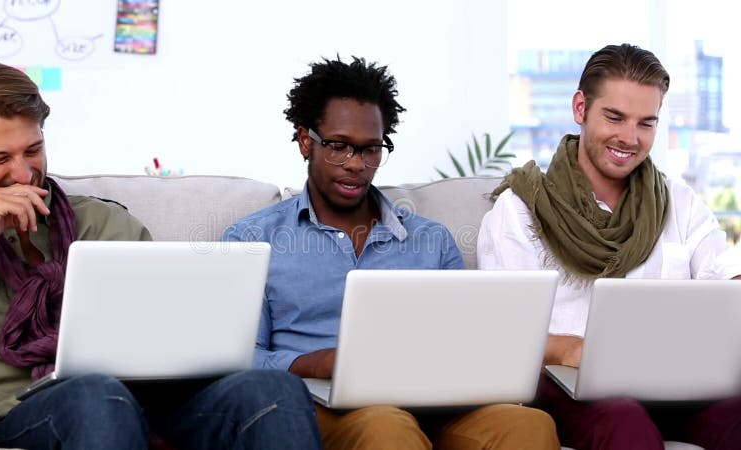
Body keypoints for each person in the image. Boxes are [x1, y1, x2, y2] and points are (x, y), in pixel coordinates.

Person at [0, 62, 321, 450]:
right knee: (99, 397)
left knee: (274, 390)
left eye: (33, 150)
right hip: (18, 408)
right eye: (0, 158)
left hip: (146, 400)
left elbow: (167, 325)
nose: (22, 174)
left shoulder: (104, 222)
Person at [223, 55, 559, 450]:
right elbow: (238, 358)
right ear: (304, 140)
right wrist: (314, 362)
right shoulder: (253, 238)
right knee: (386, 427)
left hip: (433, 403)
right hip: (320, 404)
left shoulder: (431, 241)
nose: (356, 164)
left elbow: (466, 343)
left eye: (370, 150)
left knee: (528, 426)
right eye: (338, 147)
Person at [477, 43, 741, 450]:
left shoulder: (679, 202)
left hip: (674, 380)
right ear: (581, 108)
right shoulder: (521, 210)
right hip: (571, 386)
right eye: (614, 117)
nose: (629, 138)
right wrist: (578, 350)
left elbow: (727, 283)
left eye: (646, 123)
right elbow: (504, 330)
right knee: (623, 421)